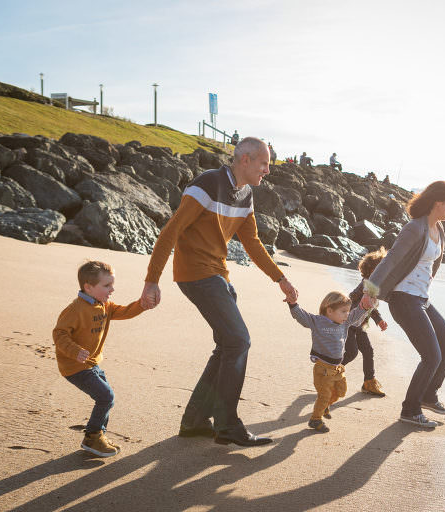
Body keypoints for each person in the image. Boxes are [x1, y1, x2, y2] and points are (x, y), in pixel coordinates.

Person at [141, 137, 298, 447]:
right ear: (245, 161)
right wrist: (152, 280)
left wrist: (280, 277)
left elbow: (252, 242)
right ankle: (227, 424)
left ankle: (195, 420)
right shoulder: (208, 184)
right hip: (196, 273)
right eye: (264, 163)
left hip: (218, 274)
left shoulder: (245, 194)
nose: (268, 169)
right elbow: (172, 229)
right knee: (239, 341)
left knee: (227, 345)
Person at [361, 181, 445, 428]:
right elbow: (391, 259)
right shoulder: (414, 228)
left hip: (421, 299)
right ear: (438, 202)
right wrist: (370, 291)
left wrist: (428, 281)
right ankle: (410, 410)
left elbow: (432, 263)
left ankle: (428, 396)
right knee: (431, 355)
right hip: (403, 298)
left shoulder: (439, 229)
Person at [52, 261, 145, 457]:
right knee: (105, 397)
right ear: (88, 287)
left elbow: (125, 312)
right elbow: (59, 334)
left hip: (92, 363)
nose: (112, 289)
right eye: (107, 286)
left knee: (106, 399)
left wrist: (142, 305)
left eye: (112, 284)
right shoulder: (75, 309)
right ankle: (93, 437)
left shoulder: (104, 305)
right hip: (75, 366)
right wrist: (74, 351)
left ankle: (98, 436)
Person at [287, 291, 372, 432]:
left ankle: (326, 405)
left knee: (340, 391)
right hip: (323, 369)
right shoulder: (318, 322)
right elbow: (301, 316)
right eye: (343, 311)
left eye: (347, 311)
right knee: (324, 395)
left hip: (337, 368)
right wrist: (293, 304)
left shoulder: (344, 323)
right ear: (330, 310)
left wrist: (363, 306)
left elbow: (356, 315)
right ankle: (315, 419)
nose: (346, 315)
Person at [343, 248, 388, 396]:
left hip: (360, 327)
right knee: (351, 352)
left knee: (368, 351)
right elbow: (351, 297)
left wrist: (379, 320)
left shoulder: (374, 286)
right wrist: (346, 310)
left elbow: (371, 307)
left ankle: (369, 382)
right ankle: (330, 370)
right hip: (349, 324)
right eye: (380, 268)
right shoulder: (366, 284)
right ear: (370, 270)